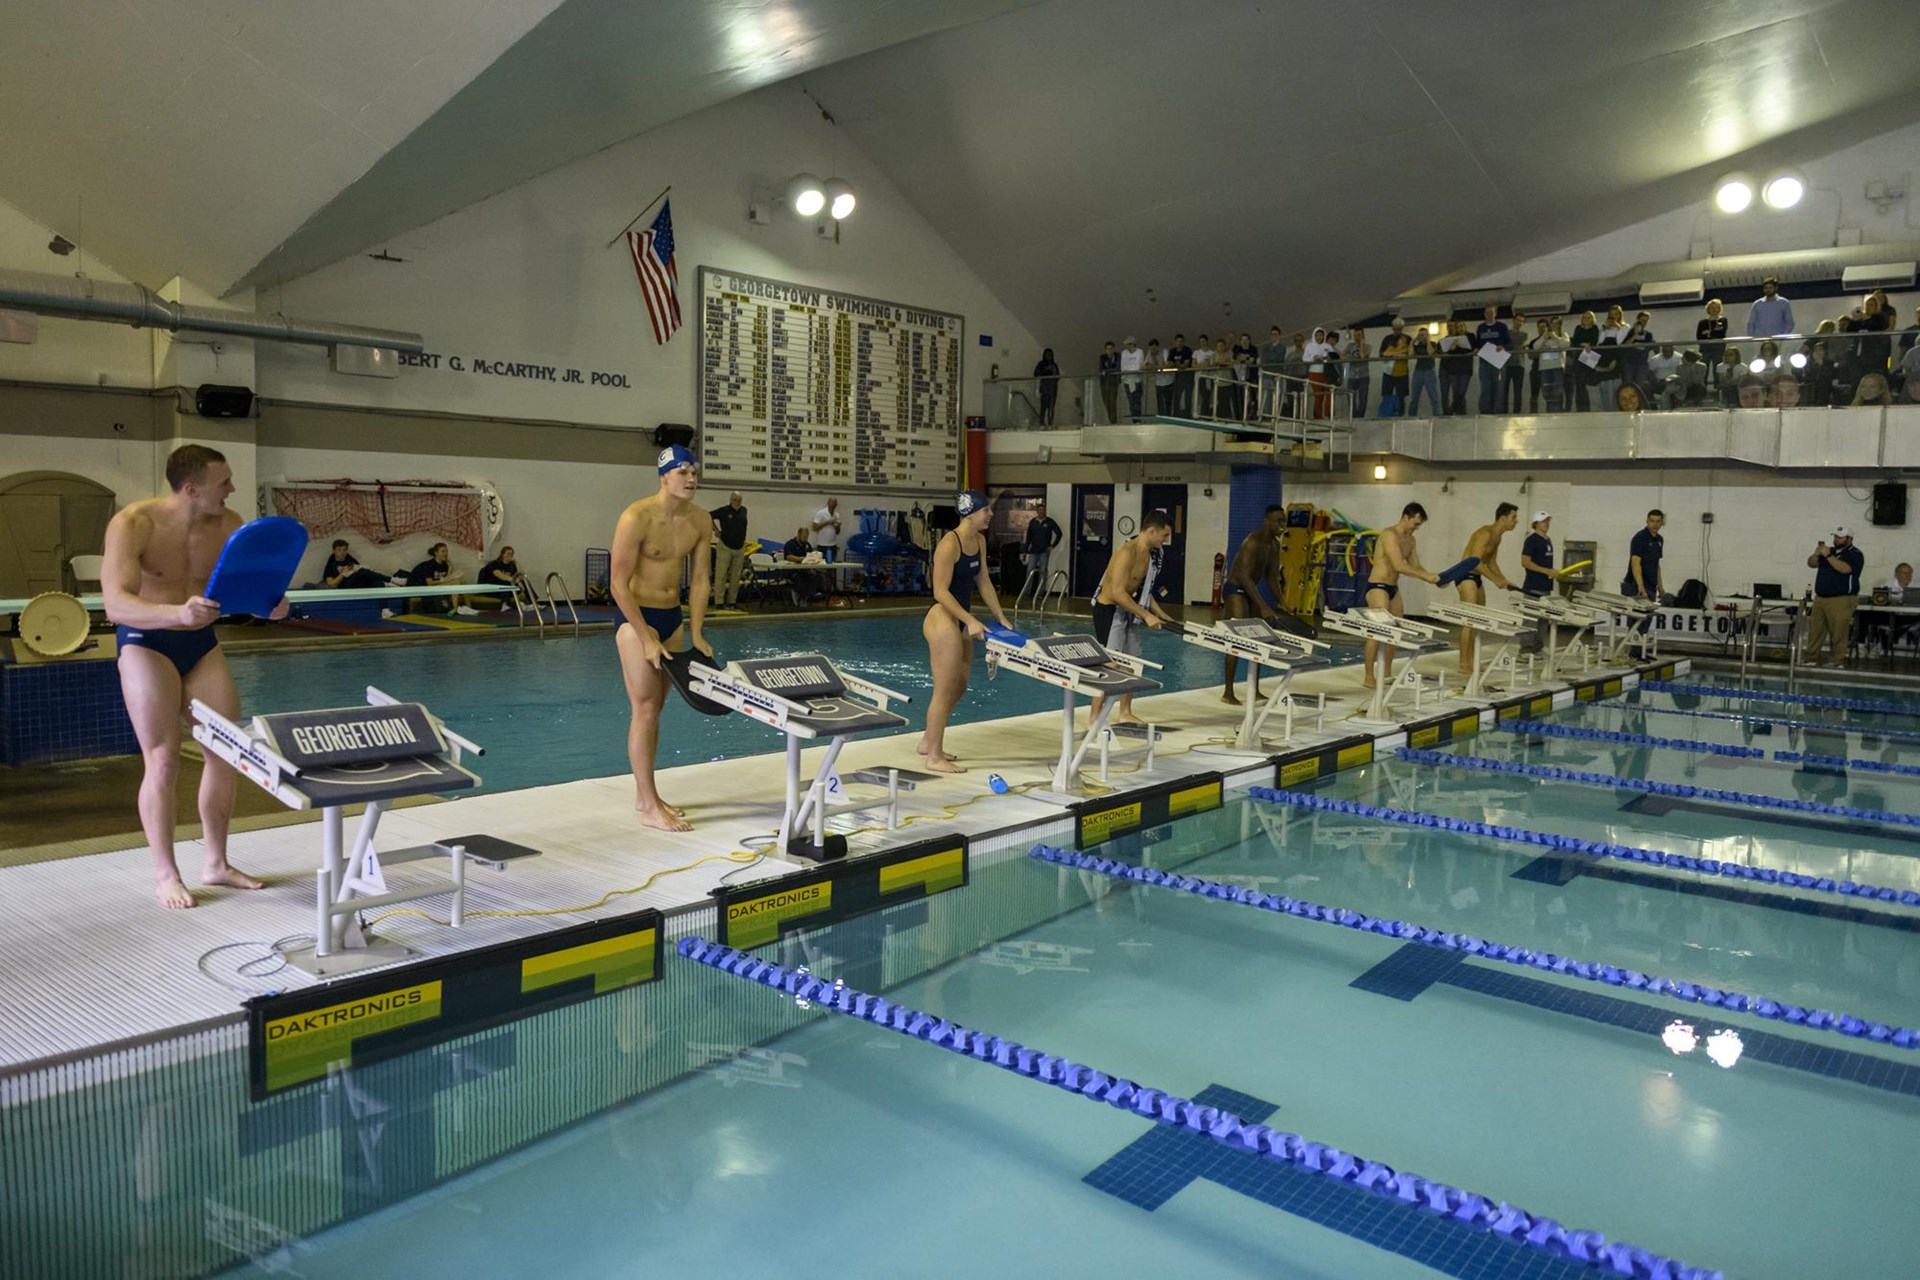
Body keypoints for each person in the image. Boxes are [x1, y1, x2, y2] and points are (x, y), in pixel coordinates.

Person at [101, 444, 279, 909]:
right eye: (225, 482)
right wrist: (174, 614)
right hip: (146, 642)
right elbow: (116, 604)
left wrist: (272, 604)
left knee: (226, 751)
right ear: (192, 488)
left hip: (200, 644)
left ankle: (216, 864)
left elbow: (247, 591)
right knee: (161, 760)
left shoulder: (229, 525)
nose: (233, 489)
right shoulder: (133, 523)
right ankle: (166, 874)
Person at [611, 445, 714, 832]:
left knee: (658, 710)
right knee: (646, 709)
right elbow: (617, 584)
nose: (691, 478)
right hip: (635, 615)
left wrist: (698, 631)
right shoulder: (636, 517)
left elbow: (700, 579)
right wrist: (644, 636)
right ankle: (649, 807)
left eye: (694, 472)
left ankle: (645, 794)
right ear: (664, 476)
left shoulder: (701, 520)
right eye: (683, 471)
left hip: (672, 619)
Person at [919, 489, 1012, 773]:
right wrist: (969, 619)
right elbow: (940, 591)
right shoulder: (950, 544)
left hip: (962, 618)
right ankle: (934, 757)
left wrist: (1000, 616)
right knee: (943, 687)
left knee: (959, 685)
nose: (991, 515)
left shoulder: (980, 541)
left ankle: (928, 740)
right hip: (943, 618)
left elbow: (983, 581)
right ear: (972, 513)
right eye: (987, 511)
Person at [1091, 509, 1176, 725]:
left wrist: (1160, 613)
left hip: (1129, 611)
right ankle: (1093, 718)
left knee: (1133, 663)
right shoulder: (1126, 552)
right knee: (1109, 665)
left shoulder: (1152, 554)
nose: (1166, 541)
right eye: (1164, 536)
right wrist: (1146, 616)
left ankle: (1125, 712)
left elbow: (1143, 589)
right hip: (1109, 611)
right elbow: (1118, 592)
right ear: (1151, 531)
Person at [1363, 502, 1440, 688]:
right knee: (1377, 631)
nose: (1417, 528)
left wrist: (1434, 579)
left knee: (1395, 630)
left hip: (1393, 588)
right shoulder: (1389, 534)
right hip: (1378, 586)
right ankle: (1368, 676)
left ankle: (1387, 672)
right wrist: (1426, 576)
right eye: (1415, 524)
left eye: (1419, 525)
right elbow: (1398, 565)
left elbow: (1416, 566)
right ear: (1406, 517)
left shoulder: (1410, 540)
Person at [1221, 505, 1287, 705]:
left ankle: (1254, 689)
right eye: (1279, 521)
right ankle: (1228, 692)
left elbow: (1272, 577)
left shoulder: (1274, 545)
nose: (1282, 526)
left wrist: (1283, 602)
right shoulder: (1253, 542)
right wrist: (1263, 605)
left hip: (1250, 592)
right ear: (1267, 521)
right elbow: (1244, 576)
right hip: (1236, 590)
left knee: (1260, 639)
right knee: (1236, 638)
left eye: (1284, 521)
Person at [1456, 503, 1521, 674]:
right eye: (1513, 517)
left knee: (1478, 622)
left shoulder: (1497, 537)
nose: (1516, 521)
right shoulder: (1485, 533)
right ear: (1503, 518)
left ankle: (1472, 661)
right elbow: (1476, 561)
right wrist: (1494, 580)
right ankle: (1464, 664)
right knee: (1469, 621)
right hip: (1465, 575)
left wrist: (1504, 580)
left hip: (1476, 577)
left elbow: (1491, 562)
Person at [1804, 525, 1864, 667]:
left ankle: (1838, 660)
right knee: (1815, 631)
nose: (1836, 539)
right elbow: (1811, 564)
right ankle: (1811, 658)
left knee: (1839, 632)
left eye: (1840, 537)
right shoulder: (1828, 551)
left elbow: (1845, 569)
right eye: (1835, 536)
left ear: (1849, 539)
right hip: (1821, 598)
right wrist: (1816, 554)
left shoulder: (1855, 554)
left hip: (1841, 599)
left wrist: (1828, 556)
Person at [1518, 511, 1555, 653]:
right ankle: (1526, 648)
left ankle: (1538, 647)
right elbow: (1525, 562)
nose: (1546, 524)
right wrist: (1546, 571)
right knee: (1530, 619)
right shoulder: (1531, 540)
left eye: (1547, 521)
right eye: (1543, 521)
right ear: (1536, 524)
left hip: (1546, 588)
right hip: (1533, 587)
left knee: (1544, 620)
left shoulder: (1548, 540)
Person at [407, 542, 480, 615]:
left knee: (462, 582)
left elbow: (454, 575)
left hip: (438, 586)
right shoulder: (429, 565)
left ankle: (469, 607)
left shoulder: (445, 565)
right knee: (456, 583)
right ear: (436, 553)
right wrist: (444, 580)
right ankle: (455, 608)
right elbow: (430, 583)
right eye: (443, 551)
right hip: (426, 588)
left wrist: (450, 563)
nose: (446, 553)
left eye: (446, 551)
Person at [709, 491, 750, 608]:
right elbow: (708, 515)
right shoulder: (724, 511)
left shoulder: (744, 510)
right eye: (735, 500)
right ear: (731, 500)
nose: (737, 502)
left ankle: (732, 601)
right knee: (721, 575)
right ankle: (719, 602)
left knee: (736, 576)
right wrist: (716, 530)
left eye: (739, 500)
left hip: (740, 547)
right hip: (725, 546)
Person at [1474, 305, 1513, 415]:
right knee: (1485, 387)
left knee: (1499, 386)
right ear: (1484, 314)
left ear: (1495, 314)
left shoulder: (1502, 326)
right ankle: (1485, 411)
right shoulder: (1480, 327)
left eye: (1492, 312)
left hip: (1498, 361)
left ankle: (1498, 411)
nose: (1489, 315)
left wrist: (1502, 347)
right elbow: (1478, 343)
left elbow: (1509, 342)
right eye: (1487, 313)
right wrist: (1476, 348)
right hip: (1484, 361)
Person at [318, 539, 390, 590]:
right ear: (334, 551)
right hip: (345, 585)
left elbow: (360, 572)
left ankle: (392, 585)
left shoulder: (350, 560)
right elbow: (331, 584)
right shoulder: (331, 565)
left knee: (377, 583)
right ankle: (392, 580)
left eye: (344, 549)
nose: (342, 552)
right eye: (339, 549)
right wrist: (342, 574)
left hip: (357, 583)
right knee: (363, 571)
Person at [782, 526, 830, 603]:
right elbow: (789, 557)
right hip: (791, 570)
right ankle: (805, 596)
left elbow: (810, 555)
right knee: (798, 578)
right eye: (804, 537)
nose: (805, 539)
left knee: (817, 576)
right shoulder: (790, 544)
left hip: (804, 569)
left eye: (807, 537)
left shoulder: (807, 545)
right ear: (798, 534)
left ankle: (810, 594)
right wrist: (801, 559)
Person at [1022, 499, 1062, 591]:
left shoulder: (1050, 522)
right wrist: (1025, 550)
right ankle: (1027, 591)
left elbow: (1059, 533)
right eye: (1040, 510)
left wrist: (1053, 545)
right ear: (1037, 511)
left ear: (1045, 511)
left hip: (1044, 551)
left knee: (1043, 572)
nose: (1041, 512)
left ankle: (1040, 593)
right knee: (1029, 570)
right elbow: (1028, 536)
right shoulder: (1033, 522)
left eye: (1043, 510)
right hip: (1033, 550)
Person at [1378, 318, 1412, 412]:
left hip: (1402, 373)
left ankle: (1400, 414)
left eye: (1399, 329)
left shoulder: (1407, 338)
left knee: (1401, 397)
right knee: (1386, 395)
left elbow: (1409, 352)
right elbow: (1383, 353)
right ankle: (1387, 413)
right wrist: (1397, 353)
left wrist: (1394, 353)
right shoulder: (1388, 339)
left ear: (1402, 328)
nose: (1397, 331)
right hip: (1388, 371)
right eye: (1395, 329)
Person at [1408, 323, 1441, 416]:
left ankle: (1437, 416)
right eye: (1419, 334)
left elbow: (1430, 352)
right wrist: (1412, 342)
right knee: (1414, 398)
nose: (1421, 336)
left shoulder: (1433, 344)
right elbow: (1410, 354)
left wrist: (1428, 341)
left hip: (1429, 371)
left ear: (1427, 335)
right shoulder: (1417, 345)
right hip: (1418, 371)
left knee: (1434, 397)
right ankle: (1411, 417)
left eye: (1423, 334)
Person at [1119, 336, 1145, 420]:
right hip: (1127, 381)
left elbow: (1138, 367)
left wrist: (1129, 369)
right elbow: (1123, 367)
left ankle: (1138, 419)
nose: (1126, 347)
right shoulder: (1124, 353)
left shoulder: (1140, 352)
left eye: (1128, 345)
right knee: (1130, 402)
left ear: (1132, 344)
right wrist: (1130, 369)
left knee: (1137, 401)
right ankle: (1134, 419)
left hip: (1137, 380)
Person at [1033, 347, 1061, 426]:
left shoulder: (1054, 365)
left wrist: (1053, 371)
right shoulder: (1041, 364)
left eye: (1050, 355)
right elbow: (1035, 374)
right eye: (1047, 355)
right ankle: (1041, 423)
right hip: (1044, 390)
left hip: (1052, 390)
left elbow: (1057, 377)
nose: (1049, 356)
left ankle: (1050, 424)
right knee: (1043, 408)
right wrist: (1045, 370)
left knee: (1051, 408)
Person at [811, 496, 842, 562]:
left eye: (835, 503)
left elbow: (837, 532)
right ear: (828, 503)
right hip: (822, 544)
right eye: (832, 503)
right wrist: (827, 522)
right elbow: (814, 527)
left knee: (832, 565)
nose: (833, 505)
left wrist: (838, 526)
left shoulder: (837, 515)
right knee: (822, 565)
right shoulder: (821, 513)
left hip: (833, 545)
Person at [1097, 341, 1121, 424]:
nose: (1109, 351)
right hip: (1104, 383)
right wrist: (1108, 371)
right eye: (1108, 349)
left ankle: (1114, 421)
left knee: (1112, 402)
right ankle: (1111, 420)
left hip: (1113, 382)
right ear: (1105, 350)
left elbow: (1117, 368)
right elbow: (1101, 369)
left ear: (1114, 349)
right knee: (1106, 402)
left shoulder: (1118, 356)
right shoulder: (1102, 357)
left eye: (1111, 349)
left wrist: (1107, 371)